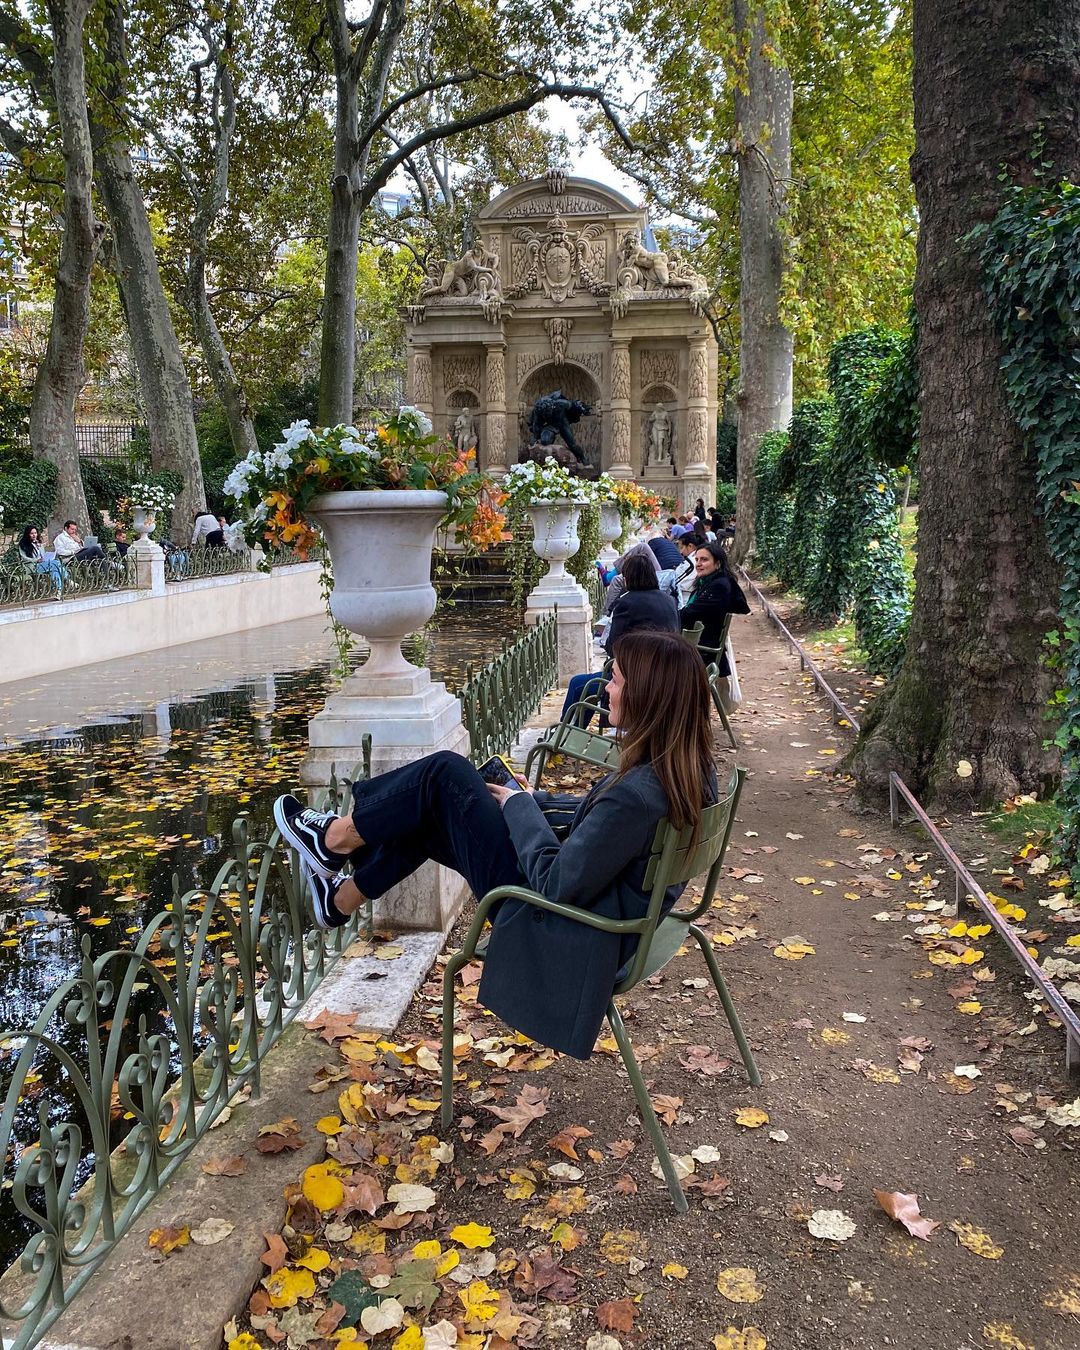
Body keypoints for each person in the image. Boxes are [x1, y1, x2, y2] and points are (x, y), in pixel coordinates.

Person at [274, 629, 717, 1059]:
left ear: (648, 696)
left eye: (616, 679)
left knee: (445, 772)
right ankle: (339, 899)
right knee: (436, 812)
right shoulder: (684, 770)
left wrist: (521, 808)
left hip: (556, 929)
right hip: (599, 924)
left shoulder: (637, 794)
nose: (606, 690)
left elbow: (554, 881)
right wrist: (528, 800)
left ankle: (333, 838)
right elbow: (599, 823)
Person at [680, 540, 750, 674]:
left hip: (703, 650)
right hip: (697, 644)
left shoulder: (718, 586)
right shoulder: (708, 582)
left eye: (704, 560)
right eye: (697, 560)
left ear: (718, 563)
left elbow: (689, 613)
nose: (698, 564)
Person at [606, 552, 680, 654]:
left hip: (639, 665)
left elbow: (613, 646)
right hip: (669, 662)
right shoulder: (670, 600)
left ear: (627, 578)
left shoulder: (625, 603)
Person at [18, 524, 64, 595]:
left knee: (54, 570)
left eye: (35, 533)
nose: (34, 535)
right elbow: (24, 558)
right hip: (32, 567)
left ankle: (58, 591)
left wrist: (40, 548)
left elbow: (43, 555)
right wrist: (36, 560)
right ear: (27, 534)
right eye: (32, 533)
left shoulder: (39, 544)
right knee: (56, 563)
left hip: (43, 564)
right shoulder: (23, 545)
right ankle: (67, 579)